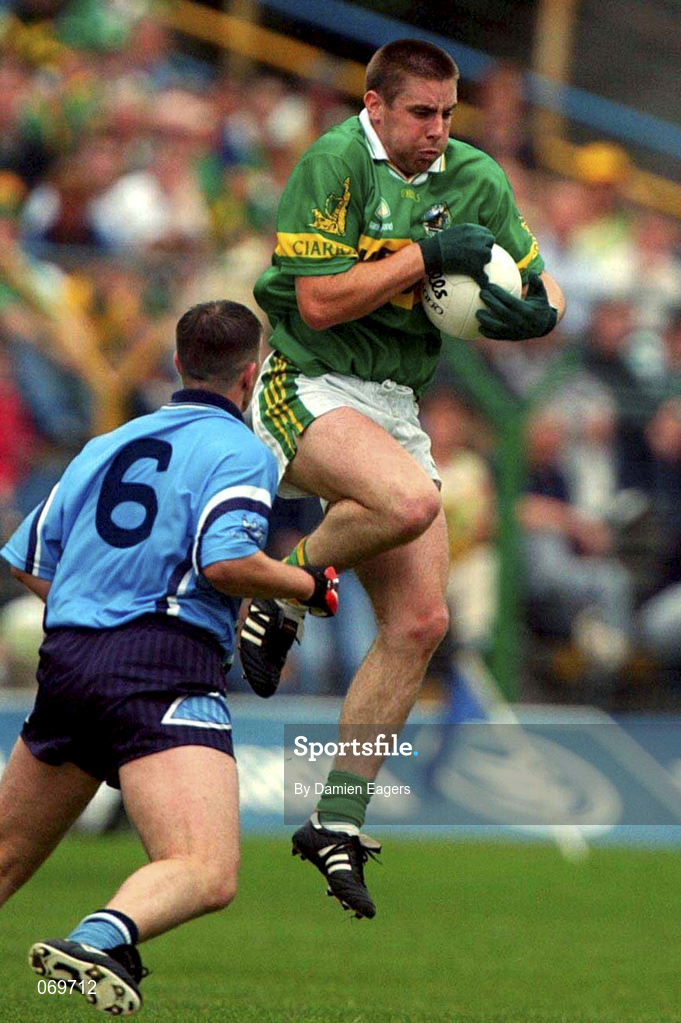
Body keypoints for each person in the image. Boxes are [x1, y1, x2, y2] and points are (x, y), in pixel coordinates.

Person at [241, 39, 565, 919]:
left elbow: (544, 288)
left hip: (394, 403)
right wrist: (427, 259)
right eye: (422, 114)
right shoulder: (334, 162)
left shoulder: (476, 177)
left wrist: (533, 312)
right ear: (375, 105)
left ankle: (335, 819)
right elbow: (315, 302)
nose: (438, 131)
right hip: (307, 383)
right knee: (413, 498)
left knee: (423, 620)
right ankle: (287, 580)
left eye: (448, 114)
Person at [0, 300, 339, 1017]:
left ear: (177, 364)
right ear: (252, 374)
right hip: (161, 664)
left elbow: (26, 556)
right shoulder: (241, 449)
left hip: (71, 656)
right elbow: (226, 560)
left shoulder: (104, 445)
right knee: (205, 869)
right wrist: (305, 583)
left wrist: (95, 608)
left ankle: (101, 938)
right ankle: (98, 939)